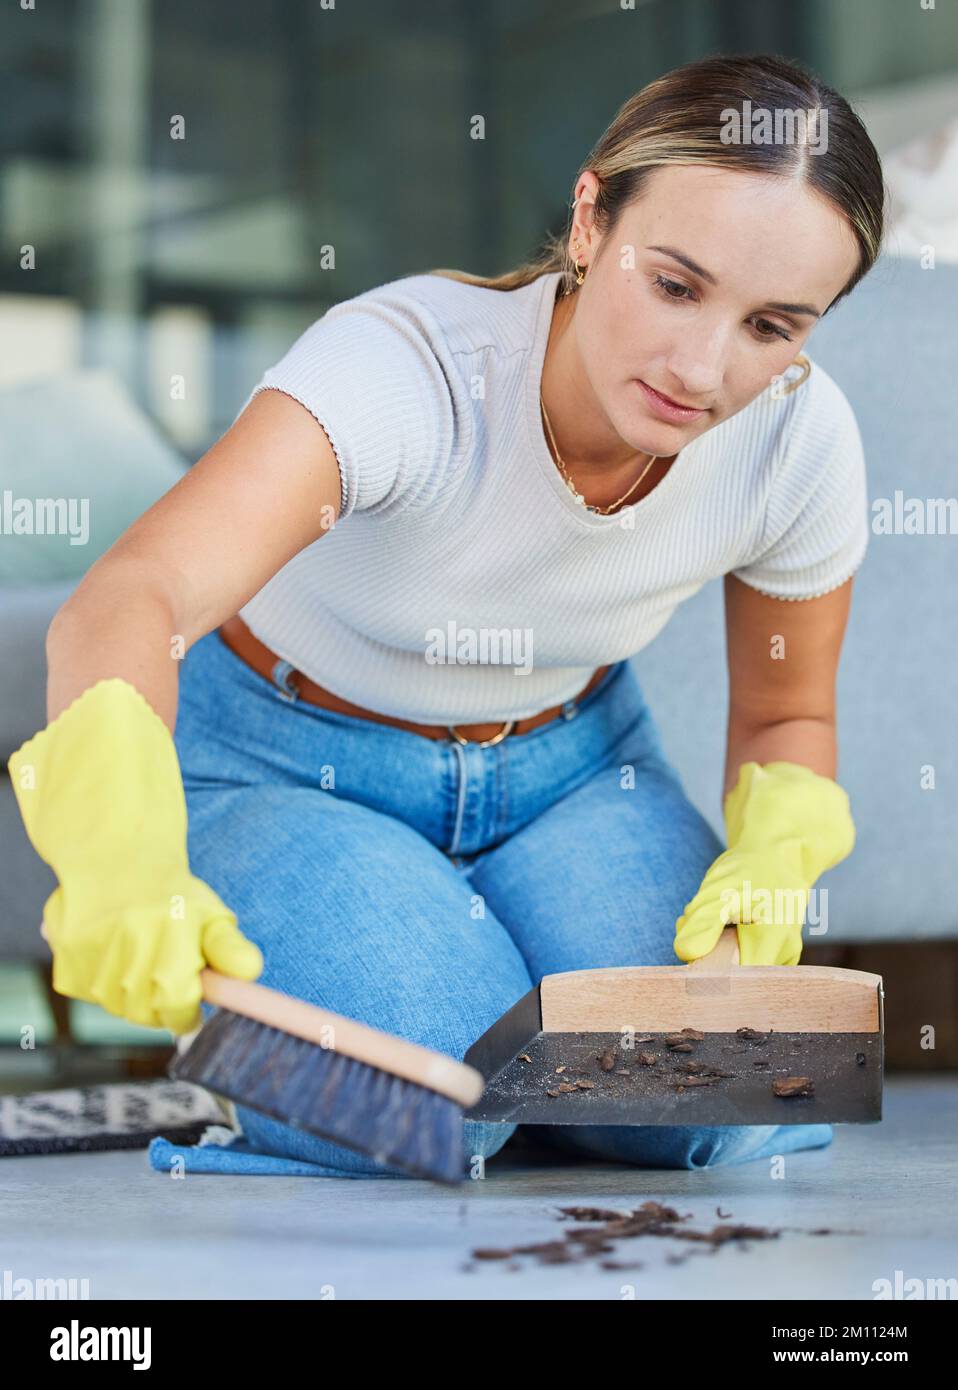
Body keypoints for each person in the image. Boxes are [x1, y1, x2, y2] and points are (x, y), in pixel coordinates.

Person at [10, 53, 884, 1177]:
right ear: (589, 220)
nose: (702, 368)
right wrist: (119, 855)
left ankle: (497, 1020)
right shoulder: (408, 371)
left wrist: (776, 849)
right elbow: (134, 596)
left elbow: (783, 715)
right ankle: (403, 1024)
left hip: (570, 769)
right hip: (282, 761)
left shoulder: (798, 445)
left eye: (773, 326)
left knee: (707, 1104)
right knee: (446, 1101)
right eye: (674, 283)